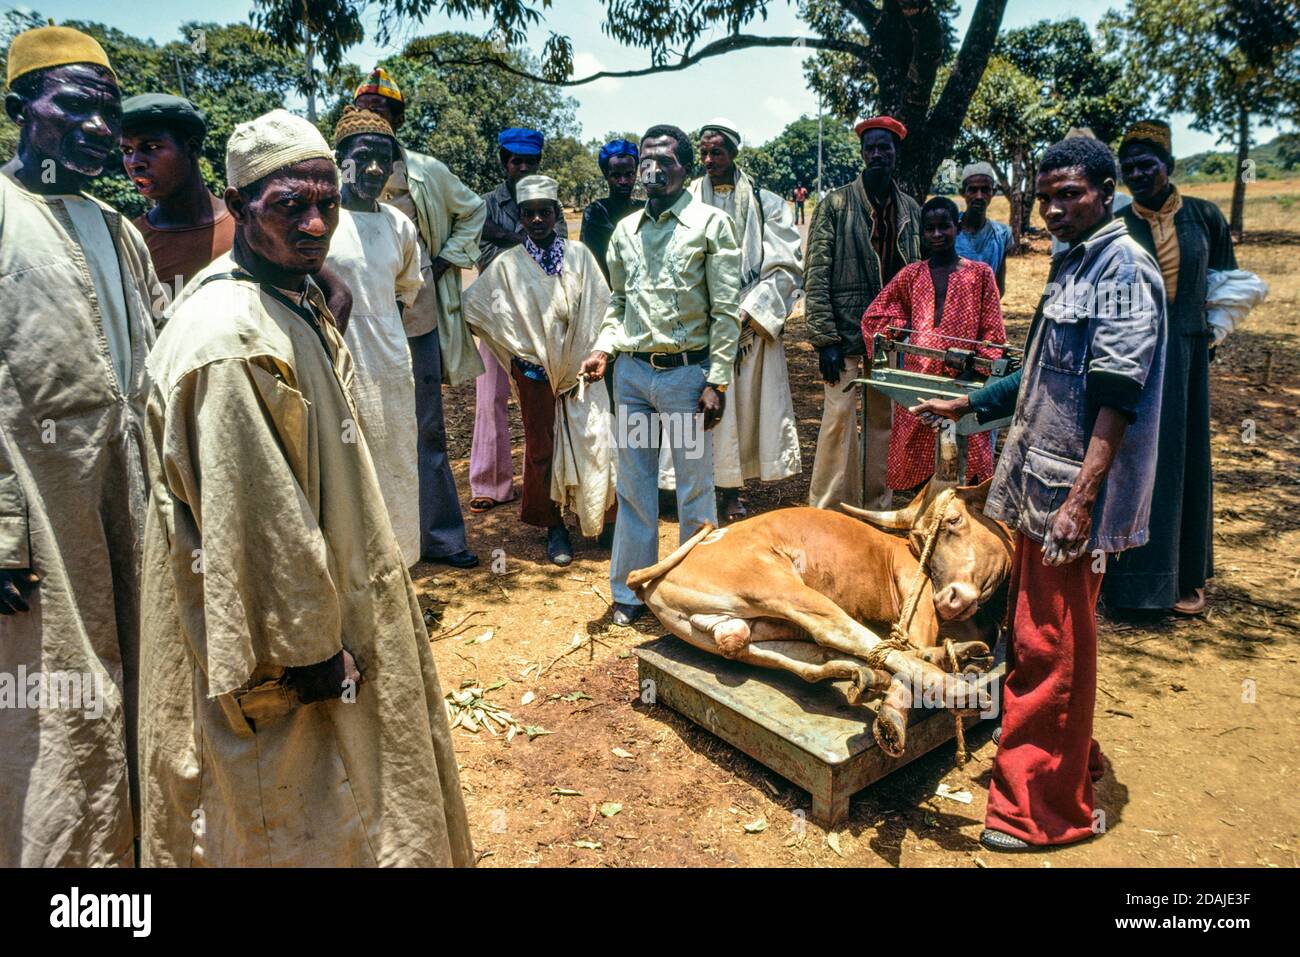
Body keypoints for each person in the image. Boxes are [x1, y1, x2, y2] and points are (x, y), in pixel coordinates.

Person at [138, 109, 474, 867]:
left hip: (336, 617)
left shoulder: (288, 296)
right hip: (289, 665)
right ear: (238, 205)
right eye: (291, 204)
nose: (317, 221)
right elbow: (254, 527)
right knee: (299, 821)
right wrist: (311, 657)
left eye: (325, 201)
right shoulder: (230, 344)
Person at [913, 136, 1166, 852]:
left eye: (1071, 195)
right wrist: (971, 404)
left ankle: (1041, 809)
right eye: (1046, 196)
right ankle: (1068, 760)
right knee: (1046, 635)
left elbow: (1120, 394)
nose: (1054, 209)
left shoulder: (1122, 266)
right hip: (1039, 481)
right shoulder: (1074, 259)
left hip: (1069, 498)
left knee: (1048, 643)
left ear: (1107, 189)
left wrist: (1082, 500)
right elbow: (1037, 371)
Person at [0, 25, 164, 867]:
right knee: (52, 702)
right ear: (20, 109)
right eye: (78, 107)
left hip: (128, 496)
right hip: (37, 512)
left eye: (110, 113)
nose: (103, 130)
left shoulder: (119, 228)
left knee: (138, 675)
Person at [579, 124, 741, 626]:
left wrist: (716, 381)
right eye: (645, 159)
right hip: (632, 378)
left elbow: (726, 311)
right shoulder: (626, 231)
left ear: (685, 169)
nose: (651, 169)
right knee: (635, 487)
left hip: (685, 380)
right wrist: (604, 349)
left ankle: (695, 595)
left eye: (663, 161)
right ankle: (632, 593)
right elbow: (619, 303)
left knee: (694, 490)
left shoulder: (711, 225)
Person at [1102, 120, 1239, 616]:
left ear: (1169, 166)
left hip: (1186, 356)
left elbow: (1225, 284)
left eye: (1148, 164)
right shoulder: (1116, 224)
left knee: (1183, 460)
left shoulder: (1205, 217)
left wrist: (1211, 337)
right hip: (1131, 352)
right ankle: (1129, 581)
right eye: (1130, 167)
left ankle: (1183, 576)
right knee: (1132, 458)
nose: (1138, 173)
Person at [354, 67, 482, 569]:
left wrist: (446, 258)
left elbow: (472, 211)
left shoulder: (427, 171)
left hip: (417, 321)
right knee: (360, 429)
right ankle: (375, 544)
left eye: (381, 110)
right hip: (357, 324)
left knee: (426, 429)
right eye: (363, 109)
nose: (372, 117)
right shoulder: (332, 173)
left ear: (398, 118)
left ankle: (442, 538)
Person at [464, 174, 617, 565]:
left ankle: (603, 517)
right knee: (541, 450)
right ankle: (555, 527)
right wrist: (518, 354)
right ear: (519, 216)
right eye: (528, 214)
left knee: (596, 440)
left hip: (581, 371)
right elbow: (478, 308)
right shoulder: (508, 265)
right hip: (534, 375)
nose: (537, 220)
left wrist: (598, 350)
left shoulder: (580, 256)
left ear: (555, 213)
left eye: (544, 212)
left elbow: (603, 305)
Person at [659, 118, 801, 522]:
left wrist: (746, 312)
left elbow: (786, 266)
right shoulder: (683, 200)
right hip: (697, 323)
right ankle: (688, 490)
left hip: (748, 327)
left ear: (734, 153)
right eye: (702, 153)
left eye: (716, 152)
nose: (708, 160)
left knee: (736, 412)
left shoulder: (766, 203)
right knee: (693, 407)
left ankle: (730, 493)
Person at [805, 114, 922, 511]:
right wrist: (825, 340)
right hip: (845, 338)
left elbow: (916, 277)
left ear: (895, 154)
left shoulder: (910, 209)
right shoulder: (835, 204)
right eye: (870, 147)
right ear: (862, 152)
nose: (877, 154)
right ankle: (827, 509)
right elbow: (816, 274)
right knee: (838, 422)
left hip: (891, 340)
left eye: (884, 148)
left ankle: (876, 507)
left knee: (882, 426)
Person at [325, 105, 423, 565]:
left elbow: (408, 286)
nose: (374, 169)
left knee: (395, 468)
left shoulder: (398, 225)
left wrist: (385, 326)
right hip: (334, 365)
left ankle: (400, 575)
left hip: (388, 368)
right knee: (343, 473)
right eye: (362, 156)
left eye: (385, 159)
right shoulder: (321, 222)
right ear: (338, 157)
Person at [862, 196, 1006, 491]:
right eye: (930, 228)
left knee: (963, 468)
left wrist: (974, 372)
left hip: (966, 386)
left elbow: (993, 332)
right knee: (917, 466)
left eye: (944, 227)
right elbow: (876, 316)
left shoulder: (979, 275)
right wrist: (899, 333)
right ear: (922, 231)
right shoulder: (912, 274)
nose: (937, 234)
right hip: (918, 383)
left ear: (959, 227)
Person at [469, 127, 568, 514]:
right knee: (489, 396)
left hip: (541, 317)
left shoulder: (549, 200)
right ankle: (490, 483)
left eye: (529, 161)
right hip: (497, 314)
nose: (522, 167)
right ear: (504, 162)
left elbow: (555, 253)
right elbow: (484, 254)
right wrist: (525, 238)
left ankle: (551, 481)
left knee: (547, 397)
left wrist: (510, 236)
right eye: (515, 160)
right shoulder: (487, 203)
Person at [121, 93, 233, 291]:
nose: (134, 163)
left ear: (192, 147)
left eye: (151, 147)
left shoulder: (246, 222)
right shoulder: (134, 241)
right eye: (127, 151)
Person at [580, 138, 643, 282]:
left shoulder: (643, 208)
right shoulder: (596, 212)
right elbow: (593, 262)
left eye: (629, 174)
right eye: (616, 175)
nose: (623, 181)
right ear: (606, 176)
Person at [954, 161, 1012, 295]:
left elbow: (998, 287)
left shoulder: (1002, 235)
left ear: (993, 192)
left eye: (985, 190)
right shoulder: (948, 229)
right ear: (963, 192)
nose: (979, 196)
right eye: (973, 190)